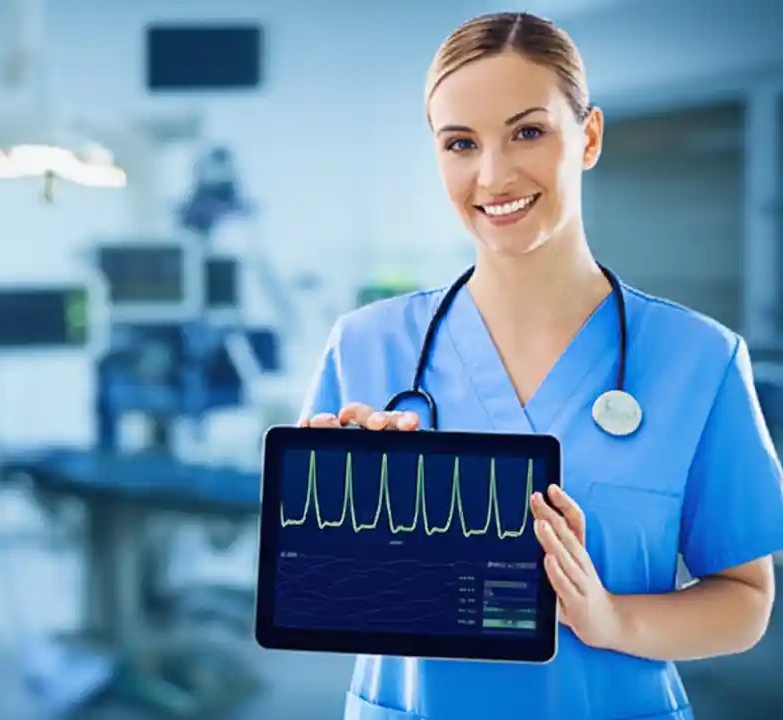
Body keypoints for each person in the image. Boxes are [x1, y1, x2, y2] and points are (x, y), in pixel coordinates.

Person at [299, 11, 783, 719]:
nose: (492, 175)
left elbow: (745, 602)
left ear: (587, 136)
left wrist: (614, 620)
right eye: (460, 143)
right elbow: (322, 592)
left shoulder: (699, 361)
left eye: (528, 131)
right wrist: (351, 524)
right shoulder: (365, 346)